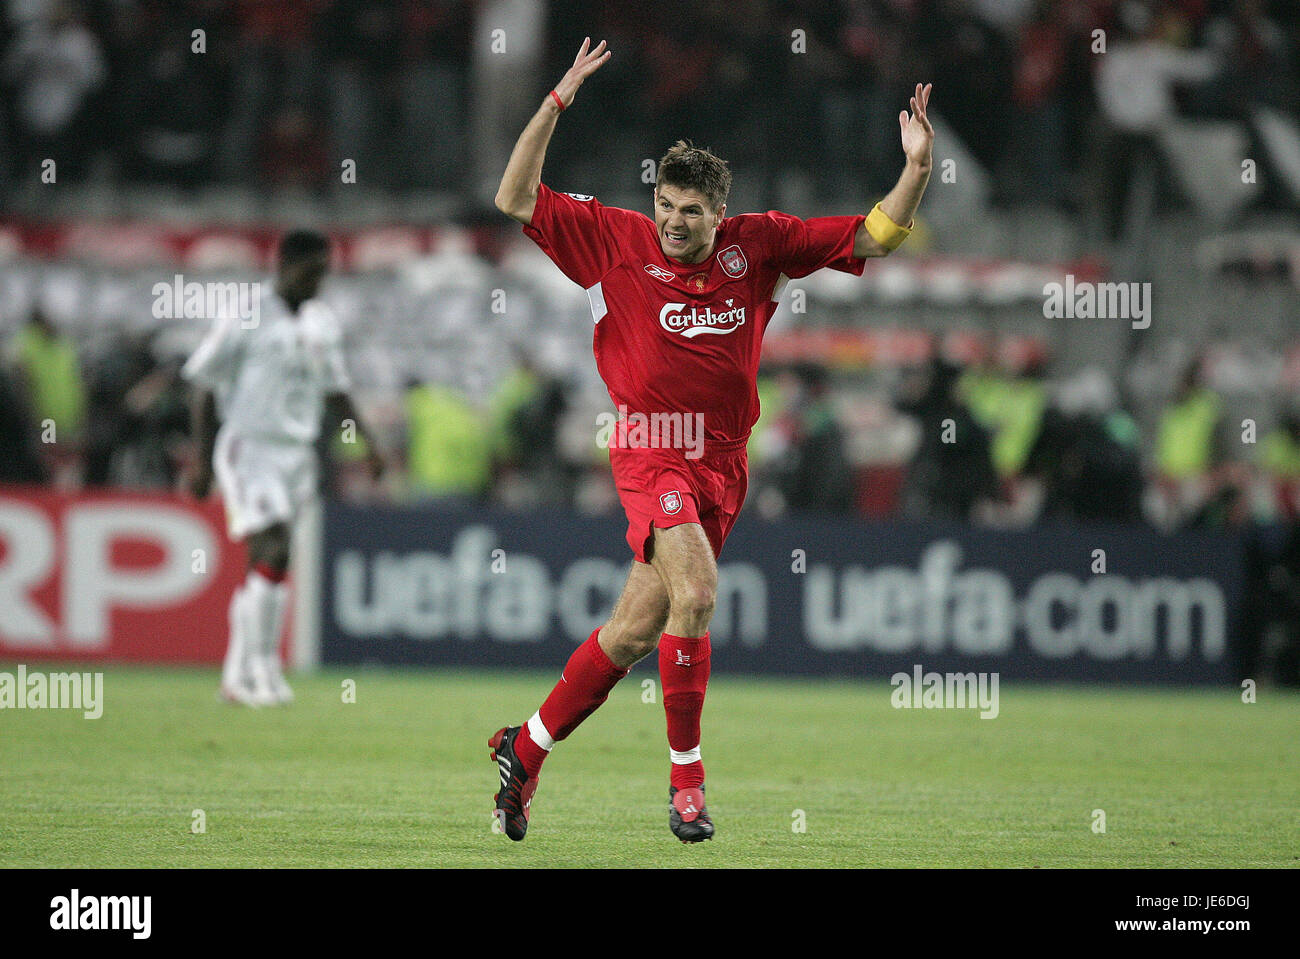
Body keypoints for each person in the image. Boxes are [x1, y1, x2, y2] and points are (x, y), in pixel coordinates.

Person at [488, 37, 933, 843]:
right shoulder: (611, 238)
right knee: (696, 595)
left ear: (718, 213)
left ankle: (525, 747)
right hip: (651, 443)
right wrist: (556, 102)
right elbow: (514, 196)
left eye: (692, 211)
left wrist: (917, 171)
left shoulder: (758, 245)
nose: (675, 222)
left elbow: (877, 235)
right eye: (666, 203)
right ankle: (686, 788)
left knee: (631, 631)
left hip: (725, 464)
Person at [184, 231, 383, 706]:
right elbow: (206, 387)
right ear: (285, 266)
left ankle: (240, 676)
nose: (319, 282)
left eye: (324, 273)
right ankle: (263, 669)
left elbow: (336, 392)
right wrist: (200, 458)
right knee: (273, 547)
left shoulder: (322, 323)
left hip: (297, 452)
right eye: (312, 272)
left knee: (271, 561)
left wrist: (368, 445)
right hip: (248, 447)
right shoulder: (246, 313)